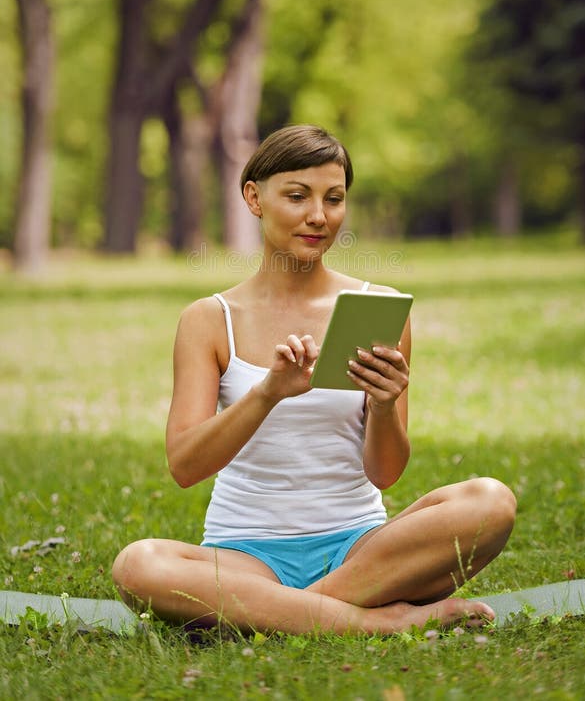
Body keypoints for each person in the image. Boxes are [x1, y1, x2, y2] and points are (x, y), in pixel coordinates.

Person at [112, 124, 516, 636]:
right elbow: (185, 465)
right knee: (138, 564)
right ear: (254, 198)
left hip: (359, 551)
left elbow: (385, 474)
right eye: (298, 196)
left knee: (491, 501)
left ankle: (283, 613)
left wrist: (384, 406)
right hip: (244, 559)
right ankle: (379, 622)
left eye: (334, 199)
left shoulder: (377, 309)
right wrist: (267, 393)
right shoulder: (209, 320)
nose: (319, 216)